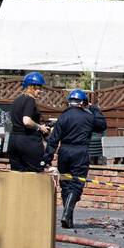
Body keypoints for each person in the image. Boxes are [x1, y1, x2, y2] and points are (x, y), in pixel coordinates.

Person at [42, 89, 98, 228]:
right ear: (82, 103)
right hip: (80, 153)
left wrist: (47, 158)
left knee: (66, 183)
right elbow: (102, 125)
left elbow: (53, 139)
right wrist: (94, 108)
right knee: (77, 184)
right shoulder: (89, 117)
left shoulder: (63, 117)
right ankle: (67, 213)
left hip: (65, 154)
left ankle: (68, 219)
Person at [7, 72, 51, 172]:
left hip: (13, 141)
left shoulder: (17, 100)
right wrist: (40, 127)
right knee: (36, 172)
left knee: (17, 175)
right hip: (28, 142)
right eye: (39, 88)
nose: (40, 91)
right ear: (31, 87)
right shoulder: (30, 100)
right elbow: (26, 121)